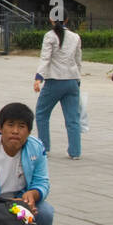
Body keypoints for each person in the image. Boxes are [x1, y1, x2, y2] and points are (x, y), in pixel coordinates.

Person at [33, 17, 83, 159]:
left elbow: (45, 58)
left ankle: (44, 147)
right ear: (67, 19)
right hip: (72, 80)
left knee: (42, 113)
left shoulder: (50, 36)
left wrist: (39, 77)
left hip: (55, 80)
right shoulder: (75, 37)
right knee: (72, 118)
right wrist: (78, 78)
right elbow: (78, 59)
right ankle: (75, 152)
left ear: (51, 19)